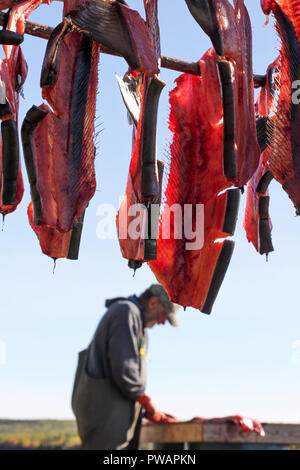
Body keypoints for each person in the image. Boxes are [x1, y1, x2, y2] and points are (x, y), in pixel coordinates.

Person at [71, 283, 179, 450]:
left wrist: (143, 408)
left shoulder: (138, 323)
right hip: (105, 417)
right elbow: (124, 369)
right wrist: (147, 402)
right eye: (164, 314)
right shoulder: (126, 312)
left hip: (116, 418)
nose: (163, 322)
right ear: (153, 302)